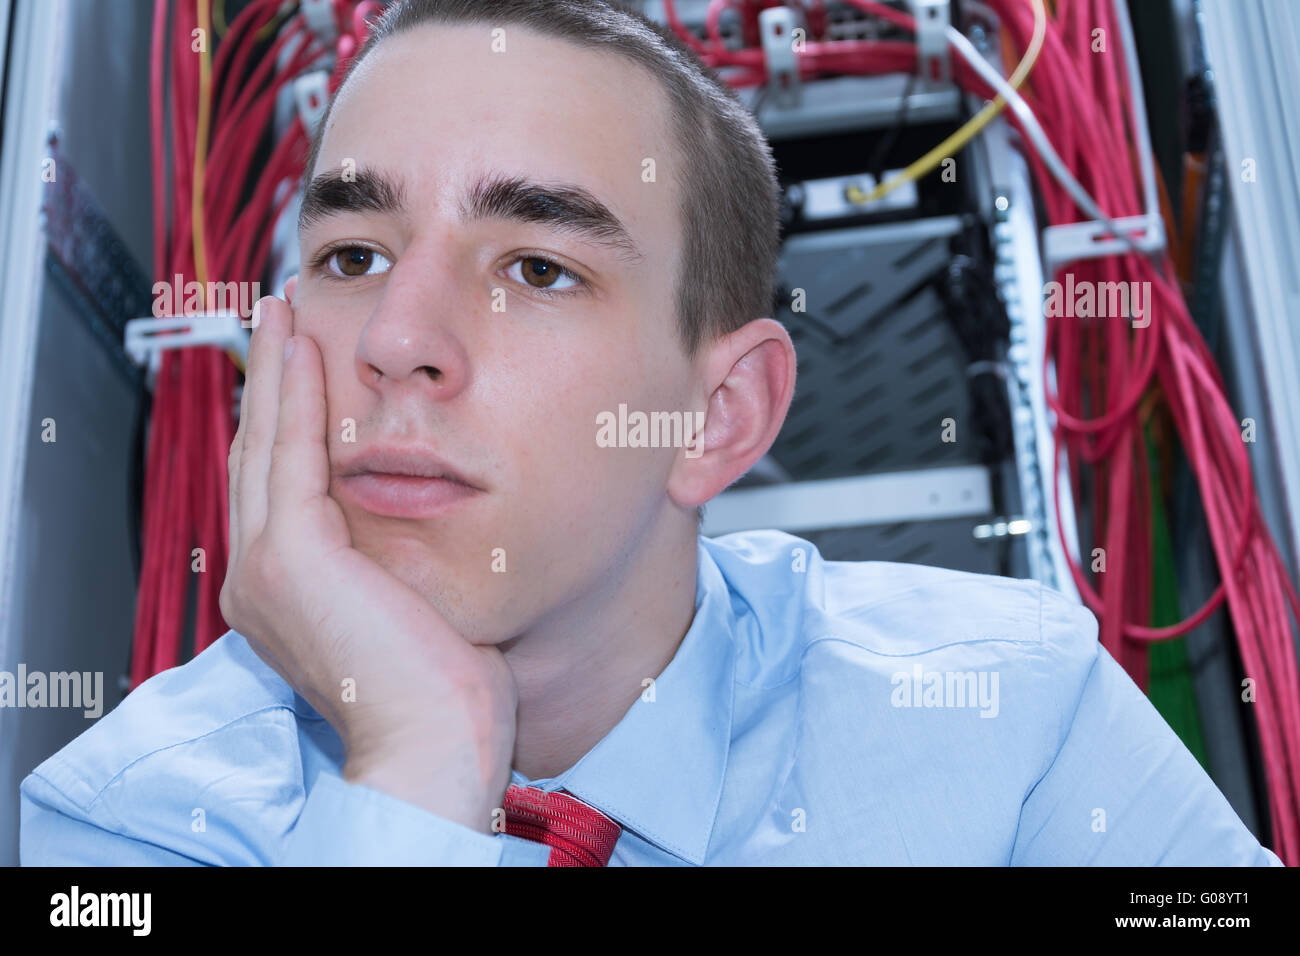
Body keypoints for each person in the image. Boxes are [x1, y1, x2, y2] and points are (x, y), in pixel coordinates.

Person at [20, 0, 1281, 866]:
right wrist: (411, 760)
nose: (396, 337)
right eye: (353, 252)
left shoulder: (1014, 716)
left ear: (717, 415)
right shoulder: (137, 816)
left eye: (538, 267)